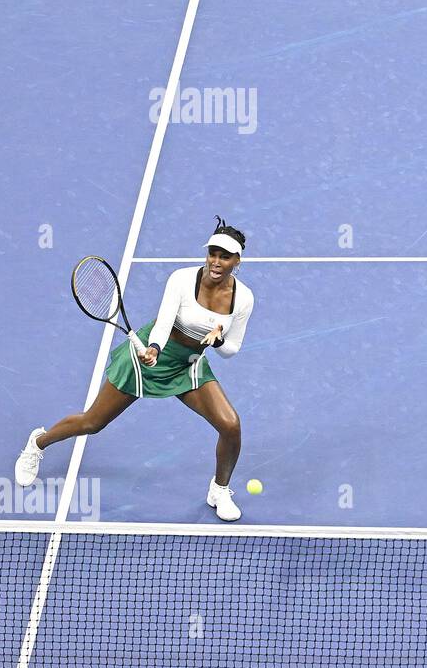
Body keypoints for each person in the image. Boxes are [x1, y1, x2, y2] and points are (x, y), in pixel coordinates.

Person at [16, 217, 256, 520]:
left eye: (225, 256)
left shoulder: (243, 298)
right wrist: (153, 348)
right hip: (147, 357)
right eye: (212, 253)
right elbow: (164, 321)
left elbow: (232, 349)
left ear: (237, 260)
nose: (216, 261)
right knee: (92, 422)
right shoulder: (182, 279)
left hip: (187, 365)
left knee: (231, 425)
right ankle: (38, 442)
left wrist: (218, 341)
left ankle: (219, 489)